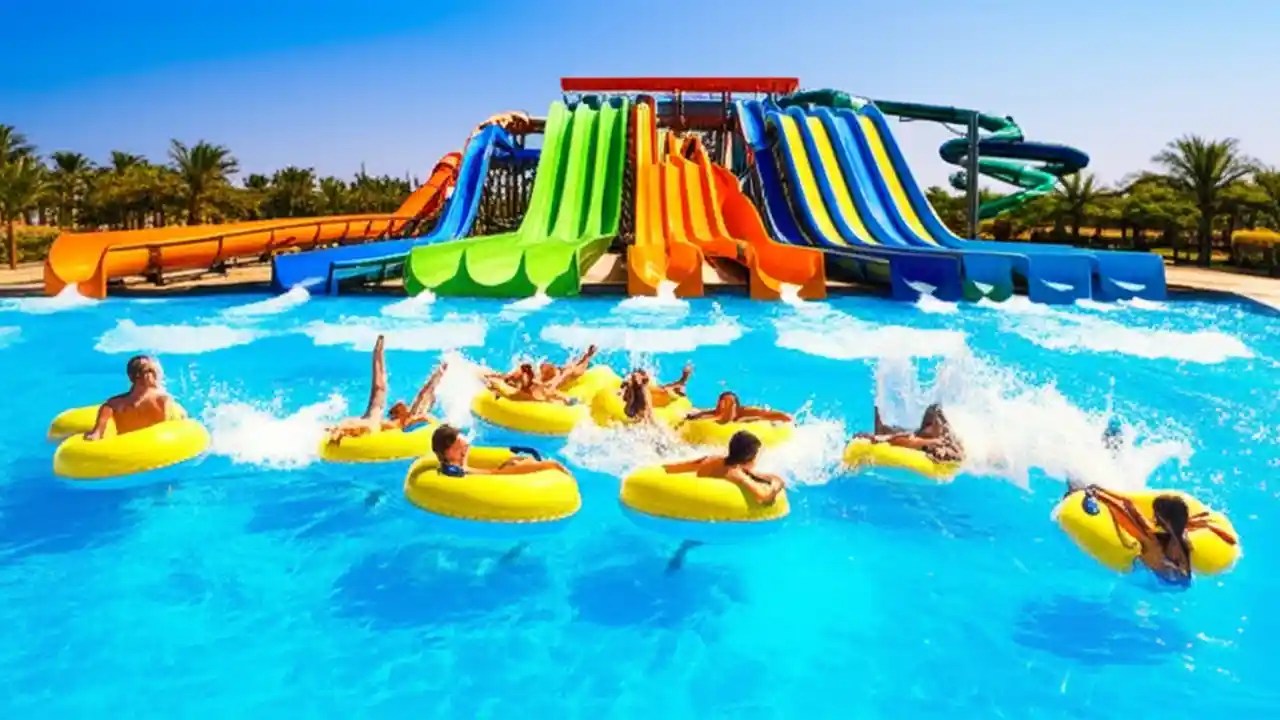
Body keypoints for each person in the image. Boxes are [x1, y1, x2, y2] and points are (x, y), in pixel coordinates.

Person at [326, 335, 447, 445]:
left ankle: (339, 429)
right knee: (371, 416)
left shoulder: (408, 419)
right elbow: (379, 388)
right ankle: (339, 429)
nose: (402, 403)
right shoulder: (397, 419)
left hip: (377, 427)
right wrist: (378, 353)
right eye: (399, 407)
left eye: (402, 406)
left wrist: (438, 374)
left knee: (371, 421)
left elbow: (423, 396)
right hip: (374, 426)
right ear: (397, 414)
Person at [662, 430, 786, 505]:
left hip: (692, 499)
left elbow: (671, 469)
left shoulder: (711, 459)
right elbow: (763, 497)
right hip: (709, 508)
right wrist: (777, 485)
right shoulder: (736, 474)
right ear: (751, 457)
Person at [85, 355, 188, 440]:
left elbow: (96, 435)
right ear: (146, 375)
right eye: (152, 370)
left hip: (127, 454)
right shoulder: (162, 401)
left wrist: (96, 433)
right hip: (157, 453)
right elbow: (184, 426)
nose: (157, 375)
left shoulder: (112, 405)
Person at [430, 424, 569, 476]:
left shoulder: (451, 466)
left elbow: (464, 464)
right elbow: (465, 470)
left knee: (525, 456)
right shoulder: (457, 471)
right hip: (498, 475)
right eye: (459, 443)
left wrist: (464, 453)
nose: (464, 444)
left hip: (496, 472)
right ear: (449, 451)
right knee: (553, 465)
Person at [853, 403, 964, 463]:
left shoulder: (949, 441)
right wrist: (885, 439)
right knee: (880, 433)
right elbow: (910, 439)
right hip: (916, 436)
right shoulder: (928, 436)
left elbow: (959, 455)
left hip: (935, 441)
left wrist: (942, 453)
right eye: (930, 425)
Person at [621, 363, 693, 423]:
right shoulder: (634, 390)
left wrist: (683, 379)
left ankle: (681, 385)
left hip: (643, 416)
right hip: (642, 416)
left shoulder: (645, 388)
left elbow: (665, 388)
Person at [683, 391, 791, 425]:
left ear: (735, 406)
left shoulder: (745, 413)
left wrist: (784, 417)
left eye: (730, 405)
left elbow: (764, 414)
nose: (726, 408)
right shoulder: (716, 413)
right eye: (723, 404)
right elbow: (694, 416)